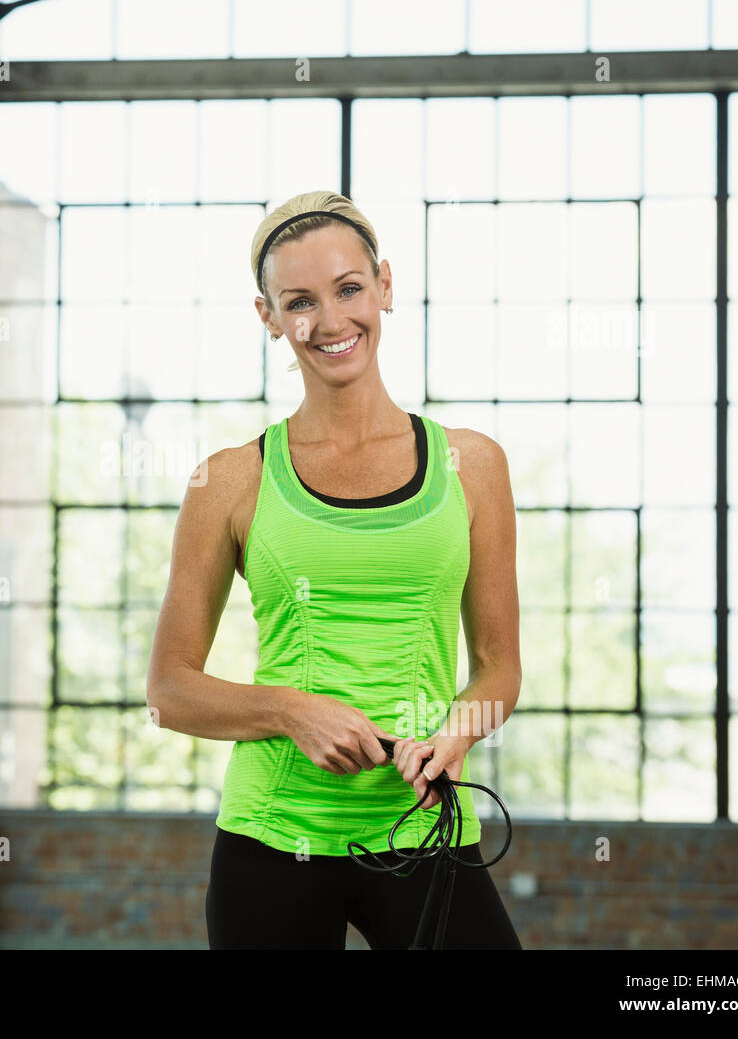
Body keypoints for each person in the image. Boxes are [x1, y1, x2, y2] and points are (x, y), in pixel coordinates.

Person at [145, 190, 523, 949]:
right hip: (272, 837)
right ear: (270, 318)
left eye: (349, 288)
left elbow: (498, 670)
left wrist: (458, 732)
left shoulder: (473, 465)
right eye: (299, 301)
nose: (330, 320)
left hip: (422, 830)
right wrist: (292, 711)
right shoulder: (227, 481)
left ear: (385, 285)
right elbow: (169, 692)